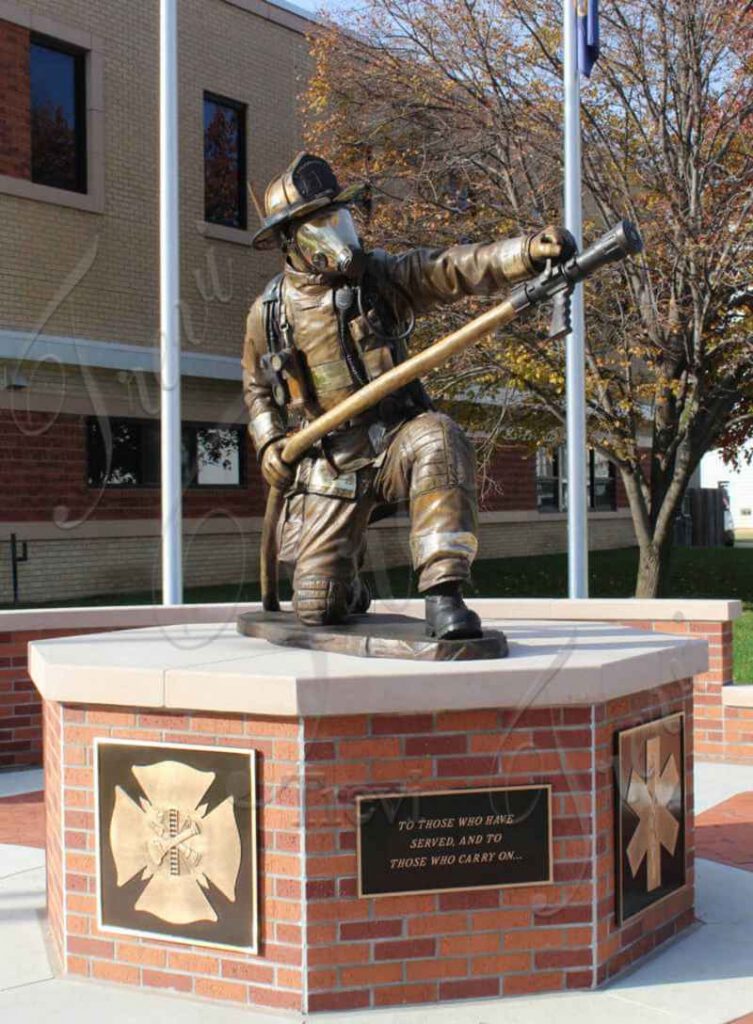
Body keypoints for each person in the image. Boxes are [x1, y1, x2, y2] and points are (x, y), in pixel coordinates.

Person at [242, 153, 572, 639]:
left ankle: (444, 595)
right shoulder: (268, 314)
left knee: (439, 438)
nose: (339, 234)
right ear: (291, 240)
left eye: (341, 219)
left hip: (398, 440)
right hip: (332, 463)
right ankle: (346, 583)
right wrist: (270, 444)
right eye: (322, 225)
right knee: (317, 607)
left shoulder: (379, 279)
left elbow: (448, 268)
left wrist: (523, 253)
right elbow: (255, 389)